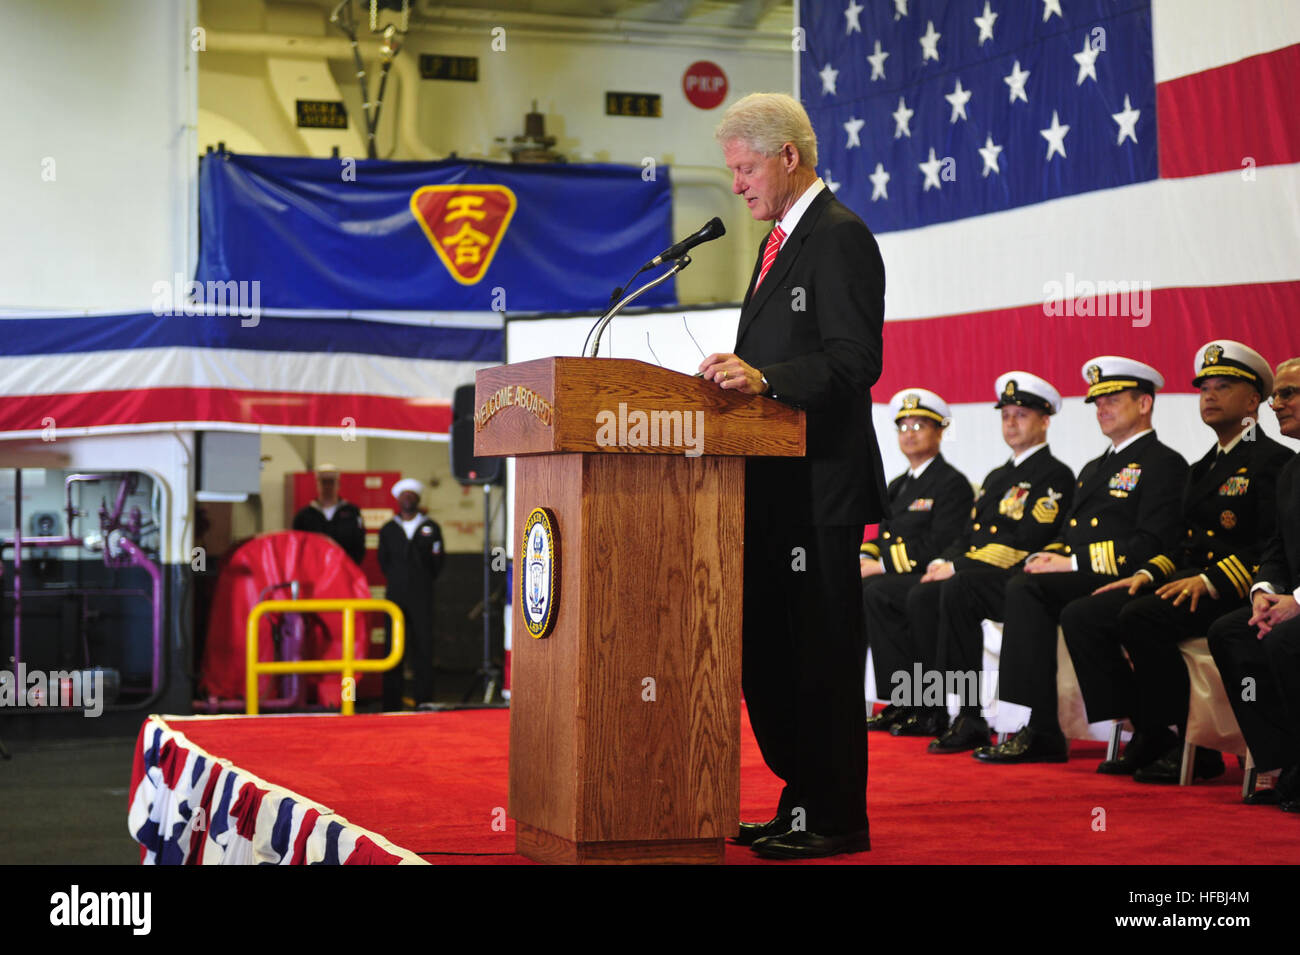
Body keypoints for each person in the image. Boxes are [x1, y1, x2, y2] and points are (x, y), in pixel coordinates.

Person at [698, 91, 889, 859]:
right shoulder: (781, 239)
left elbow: (854, 362)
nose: (736, 184)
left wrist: (763, 378)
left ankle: (837, 815)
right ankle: (800, 800)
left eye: (744, 169)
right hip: (772, 489)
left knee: (820, 658)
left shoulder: (838, 237)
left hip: (819, 492)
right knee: (771, 656)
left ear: (787, 156)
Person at [1063, 342, 1292, 782]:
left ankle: (1192, 746)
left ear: (1252, 400)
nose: (1208, 396)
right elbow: (1183, 542)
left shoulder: (1273, 462)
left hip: (1235, 589)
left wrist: (1209, 580)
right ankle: (1145, 729)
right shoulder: (1202, 467)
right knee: (1087, 613)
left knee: (1143, 617)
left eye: (1223, 387)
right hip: (1191, 578)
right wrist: (1146, 573)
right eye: (1204, 388)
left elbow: (1271, 545)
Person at [971, 356, 1188, 764]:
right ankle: (1039, 725)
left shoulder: (1165, 463)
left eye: (1112, 399)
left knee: (1037, 594)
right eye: (1097, 402)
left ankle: (1043, 729)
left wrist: (1070, 563)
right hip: (1086, 575)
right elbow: (1070, 533)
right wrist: (1048, 554)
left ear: (1144, 404)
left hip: (1129, 576)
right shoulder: (1094, 468)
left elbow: (1153, 543)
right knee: (1026, 584)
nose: (1101, 409)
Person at [909, 373, 1076, 753]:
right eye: (1006, 415)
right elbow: (968, 534)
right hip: (982, 574)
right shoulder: (997, 476)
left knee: (958, 586)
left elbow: (1026, 541)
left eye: (1021, 414)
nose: (1011, 422)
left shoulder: (1055, 475)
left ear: (1045, 420)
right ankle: (952, 710)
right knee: (925, 594)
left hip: (1018, 575)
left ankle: (982, 715)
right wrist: (944, 561)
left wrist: (960, 567)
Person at [1208, 357, 1300, 811]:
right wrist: (1263, 592)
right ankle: (1279, 761)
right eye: (1276, 394)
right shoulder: (1292, 473)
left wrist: (1297, 601)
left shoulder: (1276, 465)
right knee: (1230, 631)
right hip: (1290, 604)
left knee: (1287, 640)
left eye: (1289, 393)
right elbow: (1277, 549)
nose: (1276, 403)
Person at [860, 388, 973, 734]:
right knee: (869, 589)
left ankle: (926, 705)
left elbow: (942, 542)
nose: (909, 433)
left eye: (919, 425)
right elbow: (883, 537)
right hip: (900, 577)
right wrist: (864, 557)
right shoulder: (896, 486)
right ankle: (903, 701)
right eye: (903, 427)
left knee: (881, 590)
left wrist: (881, 565)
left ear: (939, 431)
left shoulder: (951, 483)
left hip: (931, 573)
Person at [377, 478, 444, 710]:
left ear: (418, 498)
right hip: (395, 596)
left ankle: (423, 700)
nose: (408, 498)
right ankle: (391, 703)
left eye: (412, 494)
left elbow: (438, 563)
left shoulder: (431, 528)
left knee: (423, 647)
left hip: (422, 596)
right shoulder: (388, 529)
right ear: (397, 499)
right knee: (393, 648)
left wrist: (420, 580)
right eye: (404, 494)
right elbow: (383, 563)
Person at [291, 463, 366, 566]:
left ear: (338, 484)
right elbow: (297, 548)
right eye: (324, 482)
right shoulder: (304, 515)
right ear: (317, 485)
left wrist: (349, 566)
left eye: (331, 482)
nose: (328, 486)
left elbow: (359, 545)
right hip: (314, 571)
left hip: (344, 569)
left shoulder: (352, 513)